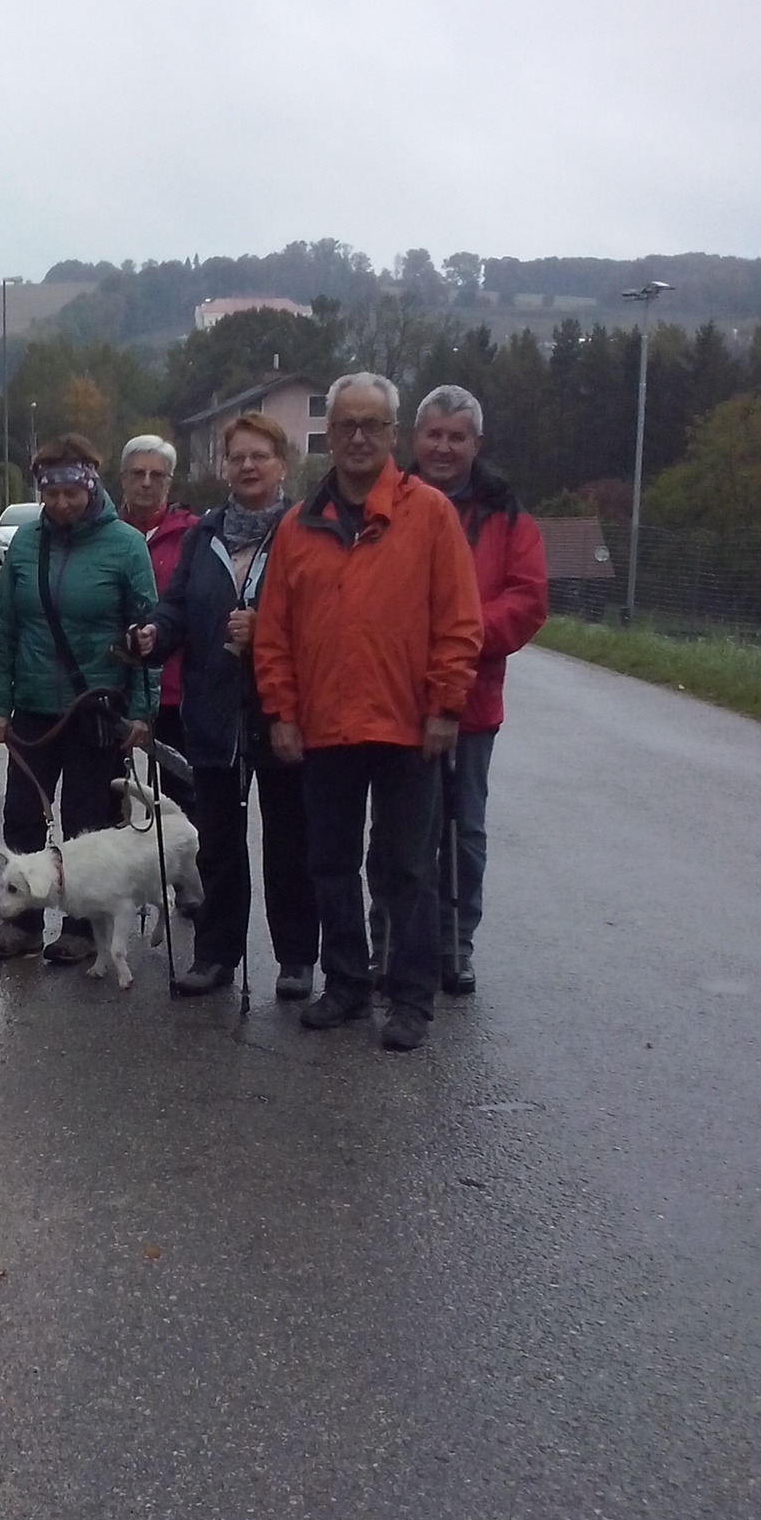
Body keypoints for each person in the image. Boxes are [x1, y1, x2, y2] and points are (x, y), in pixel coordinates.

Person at [254, 371, 482, 1052]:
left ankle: (410, 998)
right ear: (331, 436)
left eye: (370, 425)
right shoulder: (298, 527)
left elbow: (459, 621)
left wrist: (445, 706)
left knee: (407, 867)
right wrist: (282, 713)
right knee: (330, 862)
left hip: (409, 725)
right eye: (345, 425)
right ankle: (348, 984)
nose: (356, 437)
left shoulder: (431, 514)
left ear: (390, 434)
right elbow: (274, 635)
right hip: (324, 729)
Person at [134, 412, 318, 999]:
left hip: (284, 715)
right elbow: (178, 609)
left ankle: (295, 960)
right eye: (236, 457)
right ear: (222, 466)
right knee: (218, 845)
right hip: (212, 715)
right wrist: (154, 636)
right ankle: (216, 957)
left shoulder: (307, 531)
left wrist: (266, 629)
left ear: (281, 465)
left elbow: (326, 622)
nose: (246, 466)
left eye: (259, 456)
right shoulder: (202, 536)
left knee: (289, 843)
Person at [0, 433, 158, 964]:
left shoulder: (126, 546)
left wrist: (142, 711)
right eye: (50, 493)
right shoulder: (26, 546)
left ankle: (83, 926)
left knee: (88, 822)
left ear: (90, 486)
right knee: (23, 815)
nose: (60, 503)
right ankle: (26, 923)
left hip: (97, 711)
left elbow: (149, 634)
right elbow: (6, 627)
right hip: (33, 707)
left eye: (70, 493)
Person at [410, 384, 548, 993]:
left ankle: (455, 943)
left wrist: (459, 634)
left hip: (471, 702)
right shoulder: (387, 504)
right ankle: (388, 938)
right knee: (398, 830)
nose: (443, 447)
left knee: (463, 828)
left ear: (476, 444)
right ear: (417, 440)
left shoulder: (507, 517)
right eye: (434, 435)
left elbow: (527, 600)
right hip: (395, 697)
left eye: (456, 437)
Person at [116, 434, 199, 808]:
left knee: (180, 801)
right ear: (123, 479)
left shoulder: (194, 535)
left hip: (175, 691)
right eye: (138, 473)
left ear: (169, 481)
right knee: (111, 793)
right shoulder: (103, 535)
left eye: (156, 475)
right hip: (112, 688)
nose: (146, 482)